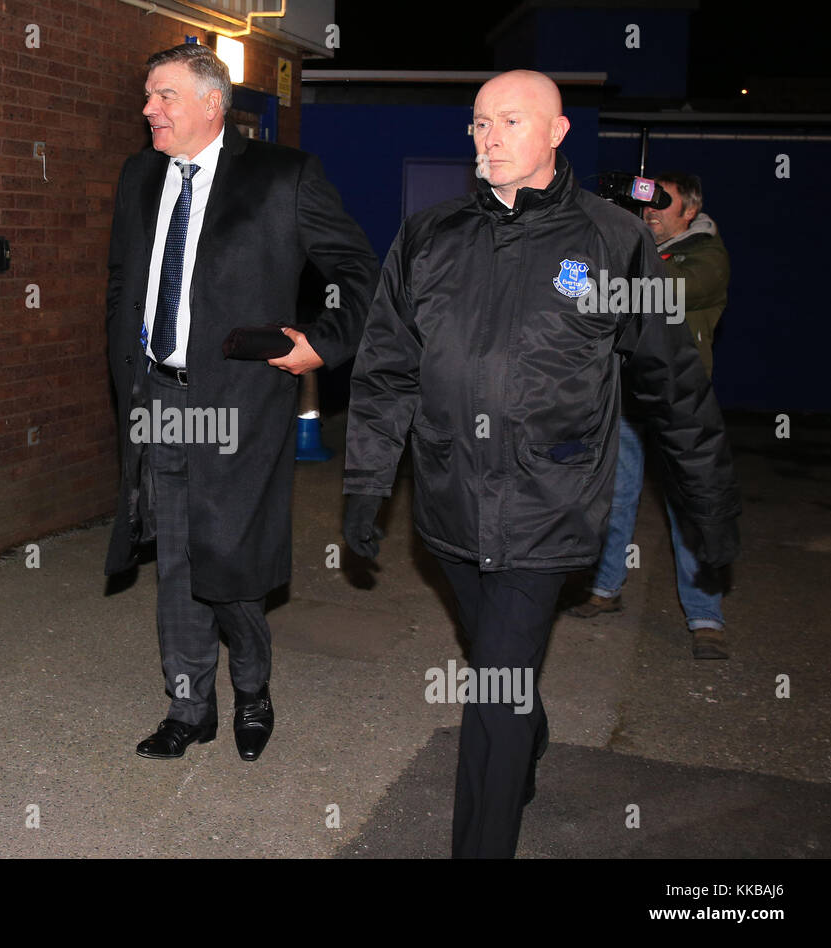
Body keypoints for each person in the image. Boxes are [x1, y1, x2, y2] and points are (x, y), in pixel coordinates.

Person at [342, 71, 740, 857]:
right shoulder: (428, 236)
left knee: (492, 690)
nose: (488, 137)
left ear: (557, 133)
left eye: (510, 121)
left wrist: (709, 508)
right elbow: (387, 368)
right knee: (497, 654)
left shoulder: (615, 242)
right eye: (479, 122)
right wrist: (366, 482)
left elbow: (674, 387)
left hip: (547, 504)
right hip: (450, 505)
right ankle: (528, 727)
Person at [105, 44, 377, 762]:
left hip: (242, 403)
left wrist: (323, 341)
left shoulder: (283, 177)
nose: (148, 110)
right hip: (159, 394)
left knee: (227, 552)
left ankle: (253, 689)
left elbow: (356, 271)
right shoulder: (139, 176)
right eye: (147, 96)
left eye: (162, 96)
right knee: (172, 554)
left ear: (210, 103)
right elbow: (122, 283)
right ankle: (189, 704)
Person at [567, 172, 732, 659]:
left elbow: (652, 294)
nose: (651, 212)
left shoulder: (705, 258)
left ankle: (706, 617)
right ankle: (604, 588)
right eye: (646, 204)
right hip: (623, 398)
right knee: (613, 500)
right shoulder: (632, 246)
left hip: (678, 404)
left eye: (664, 205)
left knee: (688, 508)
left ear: (690, 213)